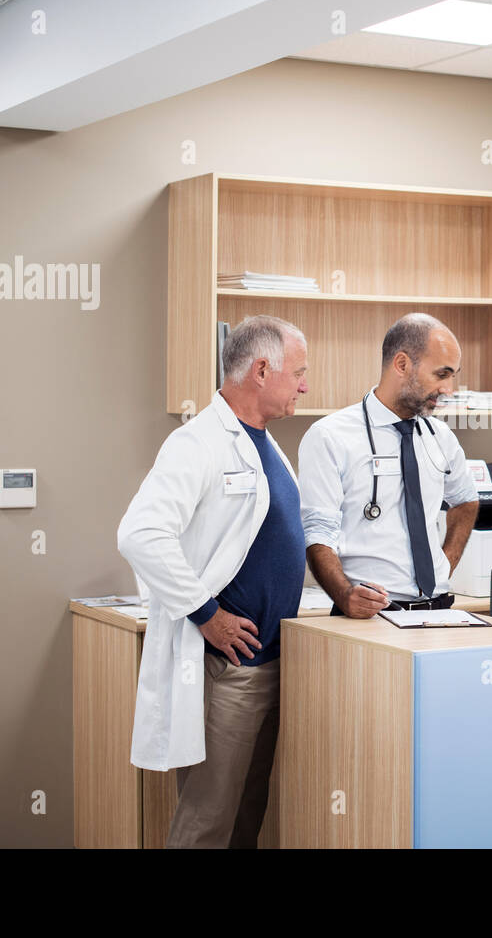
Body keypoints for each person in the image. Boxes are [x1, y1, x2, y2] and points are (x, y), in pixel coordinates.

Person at [117, 315, 308, 848]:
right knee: (207, 823)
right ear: (262, 369)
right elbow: (140, 534)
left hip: (270, 662)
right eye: (299, 372)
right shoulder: (197, 442)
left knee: (247, 818)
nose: (305, 385)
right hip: (230, 671)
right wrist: (207, 614)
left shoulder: (266, 446)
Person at [299, 313, 479, 617]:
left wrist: (444, 564)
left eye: (453, 375)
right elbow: (317, 534)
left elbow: (465, 501)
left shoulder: (441, 436)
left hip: (438, 612)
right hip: (371, 614)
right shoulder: (330, 436)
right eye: (441, 374)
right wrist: (345, 595)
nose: (449, 388)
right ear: (402, 364)